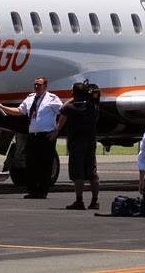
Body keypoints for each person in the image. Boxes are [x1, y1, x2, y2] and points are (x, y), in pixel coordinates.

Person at [0, 77, 63, 199]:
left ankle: (43, 191)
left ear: (45, 86)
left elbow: (64, 112)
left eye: (39, 85)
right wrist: (2, 107)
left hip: (46, 136)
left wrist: (57, 129)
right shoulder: (30, 98)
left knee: (45, 164)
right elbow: (19, 111)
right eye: (35, 85)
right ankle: (32, 191)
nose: (36, 87)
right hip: (33, 135)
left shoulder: (52, 99)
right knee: (32, 164)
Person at [56, 82, 100, 210]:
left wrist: (72, 98)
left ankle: (79, 200)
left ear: (74, 94)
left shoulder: (71, 108)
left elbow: (61, 110)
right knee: (92, 173)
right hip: (90, 142)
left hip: (76, 143)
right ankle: (94, 200)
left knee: (78, 174)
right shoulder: (93, 107)